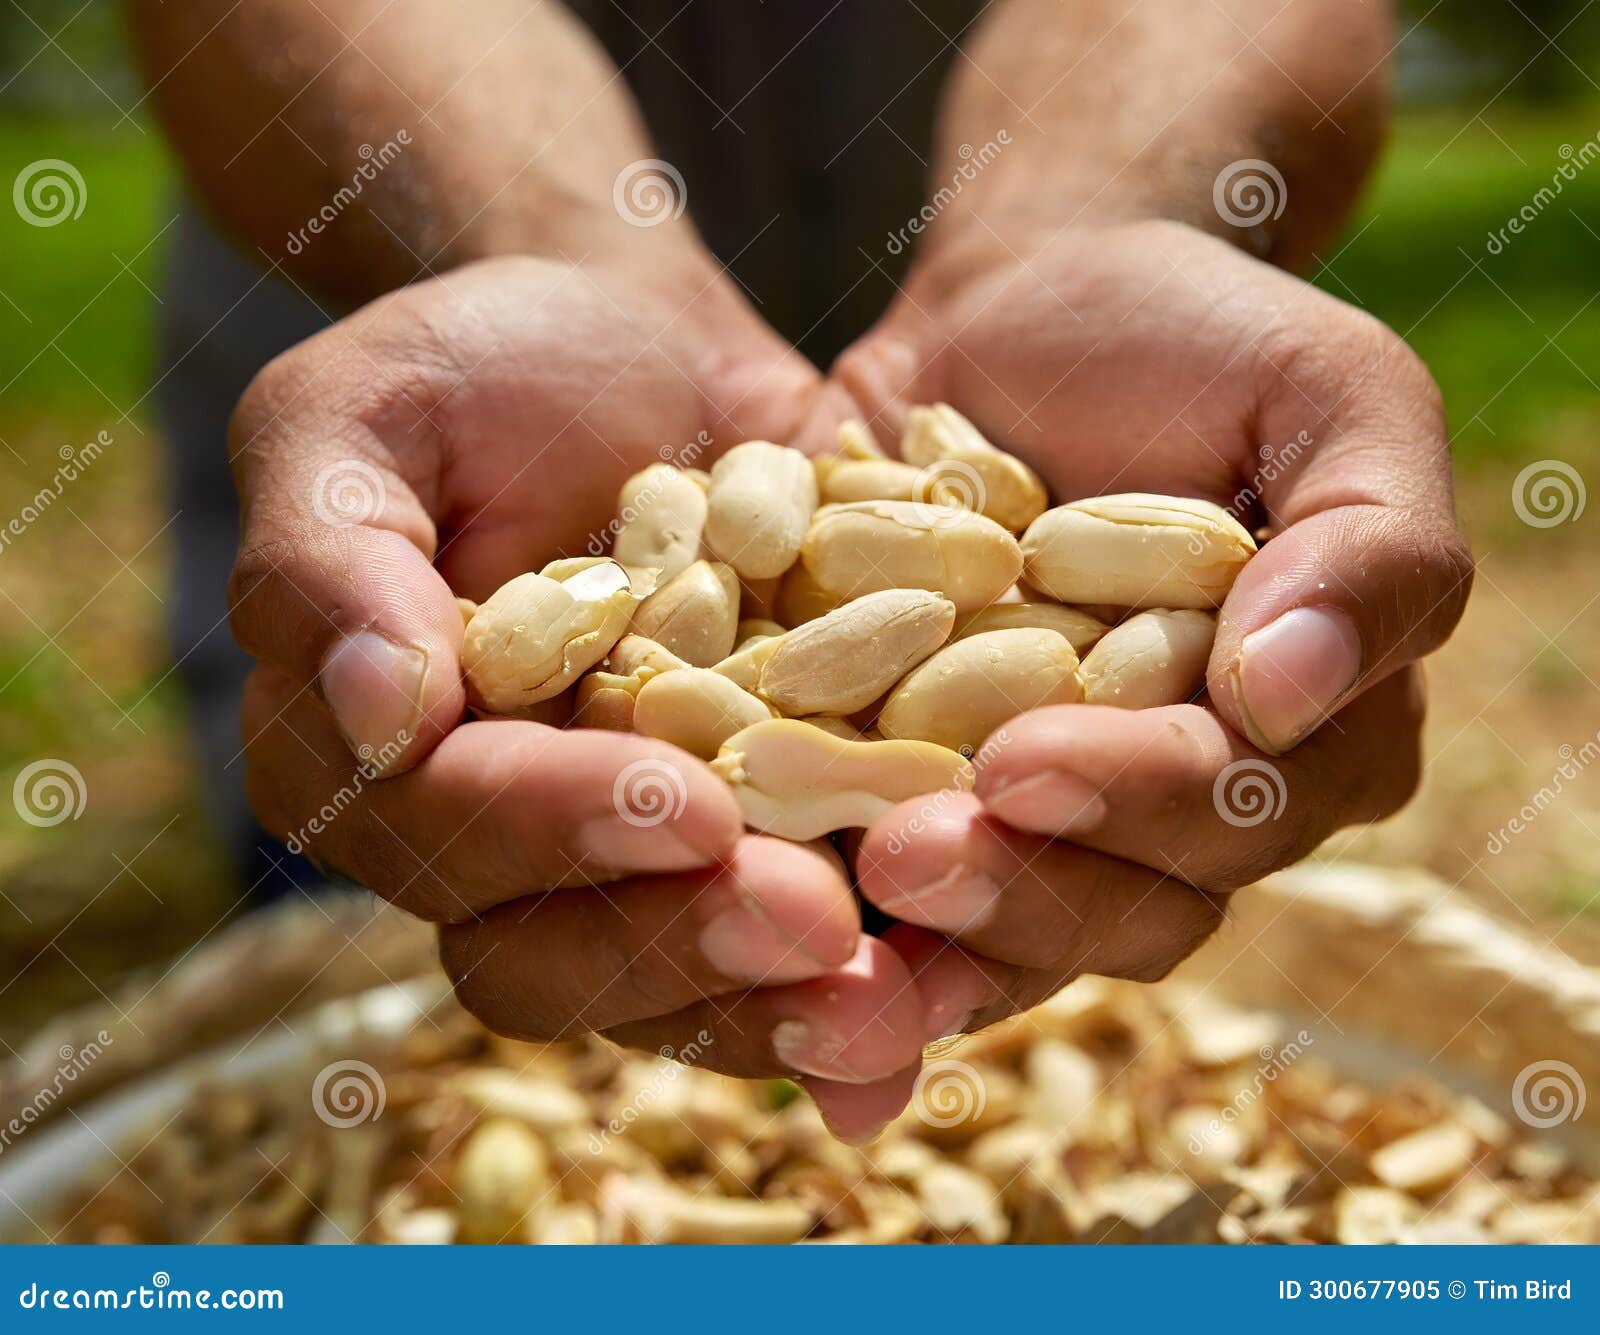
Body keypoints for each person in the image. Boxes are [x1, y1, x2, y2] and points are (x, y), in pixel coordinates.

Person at [129, 0, 1472, 1140]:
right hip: (472, 489)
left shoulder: (917, 562)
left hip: (935, 369)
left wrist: (1073, 224)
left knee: (1095, 889)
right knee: (403, 891)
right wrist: (549, 237)